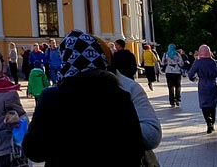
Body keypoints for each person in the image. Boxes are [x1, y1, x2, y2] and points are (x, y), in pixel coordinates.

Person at [23, 30, 145, 166]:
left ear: (66, 59)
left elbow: (35, 151)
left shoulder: (52, 98)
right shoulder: (119, 95)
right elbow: (136, 149)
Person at [188, 44, 217, 133]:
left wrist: (193, 79)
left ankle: (208, 122)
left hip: (202, 85)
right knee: (212, 105)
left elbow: (190, 74)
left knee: (204, 105)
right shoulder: (215, 62)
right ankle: (212, 123)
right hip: (213, 84)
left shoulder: (197, 62)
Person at [160, 43, 184, 108]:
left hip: (168, 72)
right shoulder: (177, 54)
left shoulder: (165, 54)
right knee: (177, 86)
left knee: (170, 87)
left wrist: (167, 63)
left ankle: (171, 101)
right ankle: (177, 98)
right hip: (177, 72)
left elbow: (162, 63)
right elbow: (181, 63)